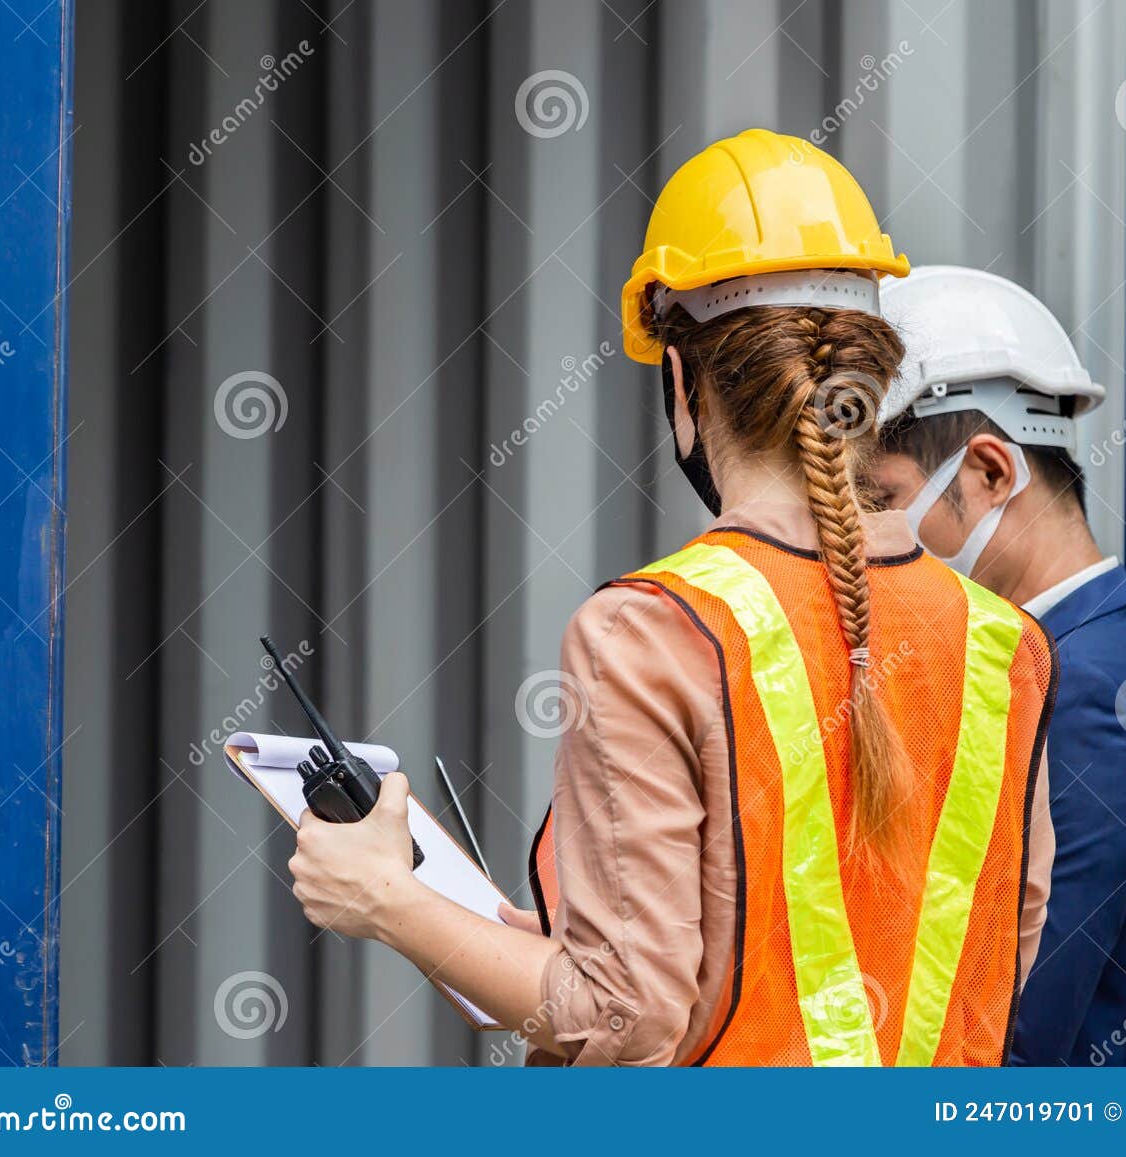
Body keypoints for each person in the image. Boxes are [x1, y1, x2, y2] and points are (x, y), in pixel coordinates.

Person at [287, 132, 1058, 1067]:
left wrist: (389, 902)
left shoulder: (651, 630)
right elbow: (995, 944)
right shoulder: (1005, 644)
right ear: (872, 382)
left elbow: (625, 1018)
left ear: (685, 384)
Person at [865, 265, 1126, 1066]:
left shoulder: (1094, 693)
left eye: (883, 500)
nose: (867, 539)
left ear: (991, 472)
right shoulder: (1077, 658)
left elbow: (1011, 1026)